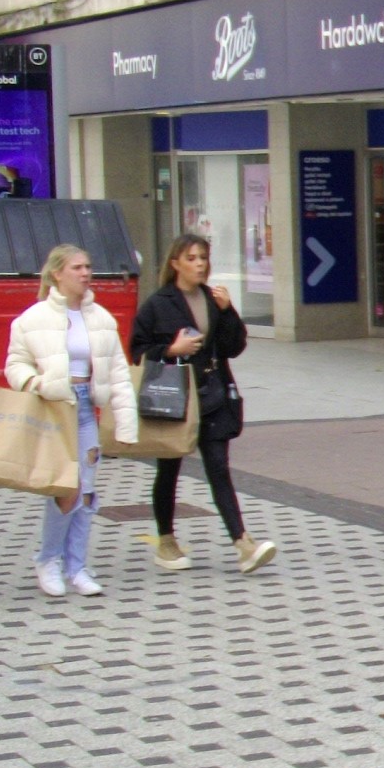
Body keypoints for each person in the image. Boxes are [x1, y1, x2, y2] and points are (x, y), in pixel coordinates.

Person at [129, 234, 276, 573]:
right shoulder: (158, 304)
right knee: (169, 469)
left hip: (212, 393)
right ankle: (166, 541)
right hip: (175, 396)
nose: (199, 265)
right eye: (192, 258)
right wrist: (170, 350)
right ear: (175, 263)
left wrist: (228, 312)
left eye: (203, 258)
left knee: (219, 467)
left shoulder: (212, 299)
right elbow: (137, 351)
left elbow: (233, 346)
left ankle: (243, 543)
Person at [5, 245, 139, 597]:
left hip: (85, 409)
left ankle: (76, 566)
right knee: (66, 488)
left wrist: (126, 424)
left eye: (88, 266)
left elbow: (119, 374)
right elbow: (15, 364)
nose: (85, 273)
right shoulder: (33, 318)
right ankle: (48, 559)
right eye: (77, 267)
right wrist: (36, 383)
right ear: (57, 274)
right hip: (53, 409)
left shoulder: (101, 318)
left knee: (87, 491)